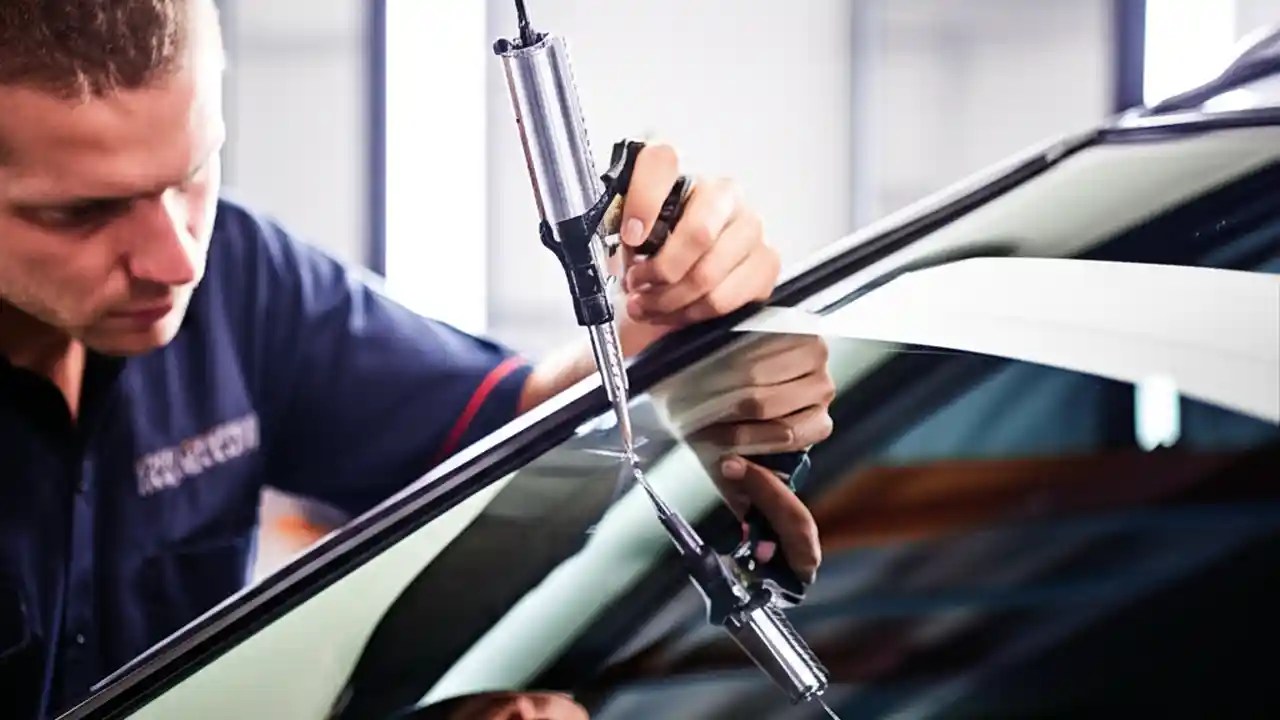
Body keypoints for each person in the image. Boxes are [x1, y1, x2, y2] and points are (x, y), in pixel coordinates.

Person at [0, 1, 835, 717]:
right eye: (83, 212)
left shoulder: (243, 281)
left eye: (192, 173)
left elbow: (509, 430)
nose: (178, 259)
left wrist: (665, 342)